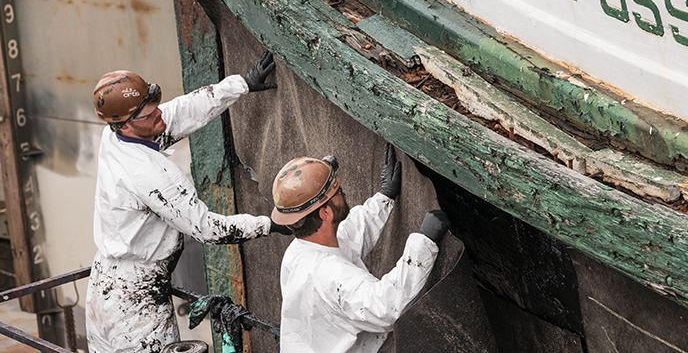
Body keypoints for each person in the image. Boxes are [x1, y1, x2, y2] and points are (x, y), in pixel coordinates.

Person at [85, 52, 287, 353]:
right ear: (126, 124)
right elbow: (207, 229)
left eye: (155, 105)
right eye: (149, 114)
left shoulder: (116, 136)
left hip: (104, 283)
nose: (160, 115)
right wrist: (269, 223)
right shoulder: (148, 174)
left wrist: (240, 84)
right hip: (135, 306)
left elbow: (179, 112)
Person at [273, 144, 450, 353]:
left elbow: (349, 236)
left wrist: (384, 198)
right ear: (326, 214)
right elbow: (386, 306)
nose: (342, 191)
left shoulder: (299, 251)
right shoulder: (332, 275)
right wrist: (424, 243)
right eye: (337, 191)